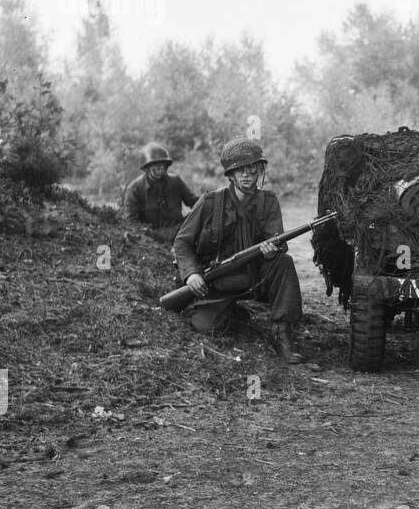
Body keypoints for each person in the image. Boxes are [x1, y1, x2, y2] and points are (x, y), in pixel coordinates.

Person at [172, 137, 304, 364]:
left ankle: (281, 334)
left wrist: (272, 250)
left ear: (259, 171)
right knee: (203, 326)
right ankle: (233, 314)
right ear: (230, 175)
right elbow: (182, 242)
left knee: (284, 263)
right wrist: (192, 274)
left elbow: (277, 241)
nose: (246, 175)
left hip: (254, 278)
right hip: (216, 282)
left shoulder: (268, 201)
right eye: (240, 170)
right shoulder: (210, 202)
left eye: (252, 170)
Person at [122, 143, 199, 244]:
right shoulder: (135, 189)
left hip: (180, 231)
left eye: (164, 164)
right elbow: (132, 222)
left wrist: (209, 201)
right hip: (154, 238)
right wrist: (148, 236)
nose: (161, 168)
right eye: (157, 164)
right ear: (147, 168)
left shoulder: (175, 181)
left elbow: (194, 201)